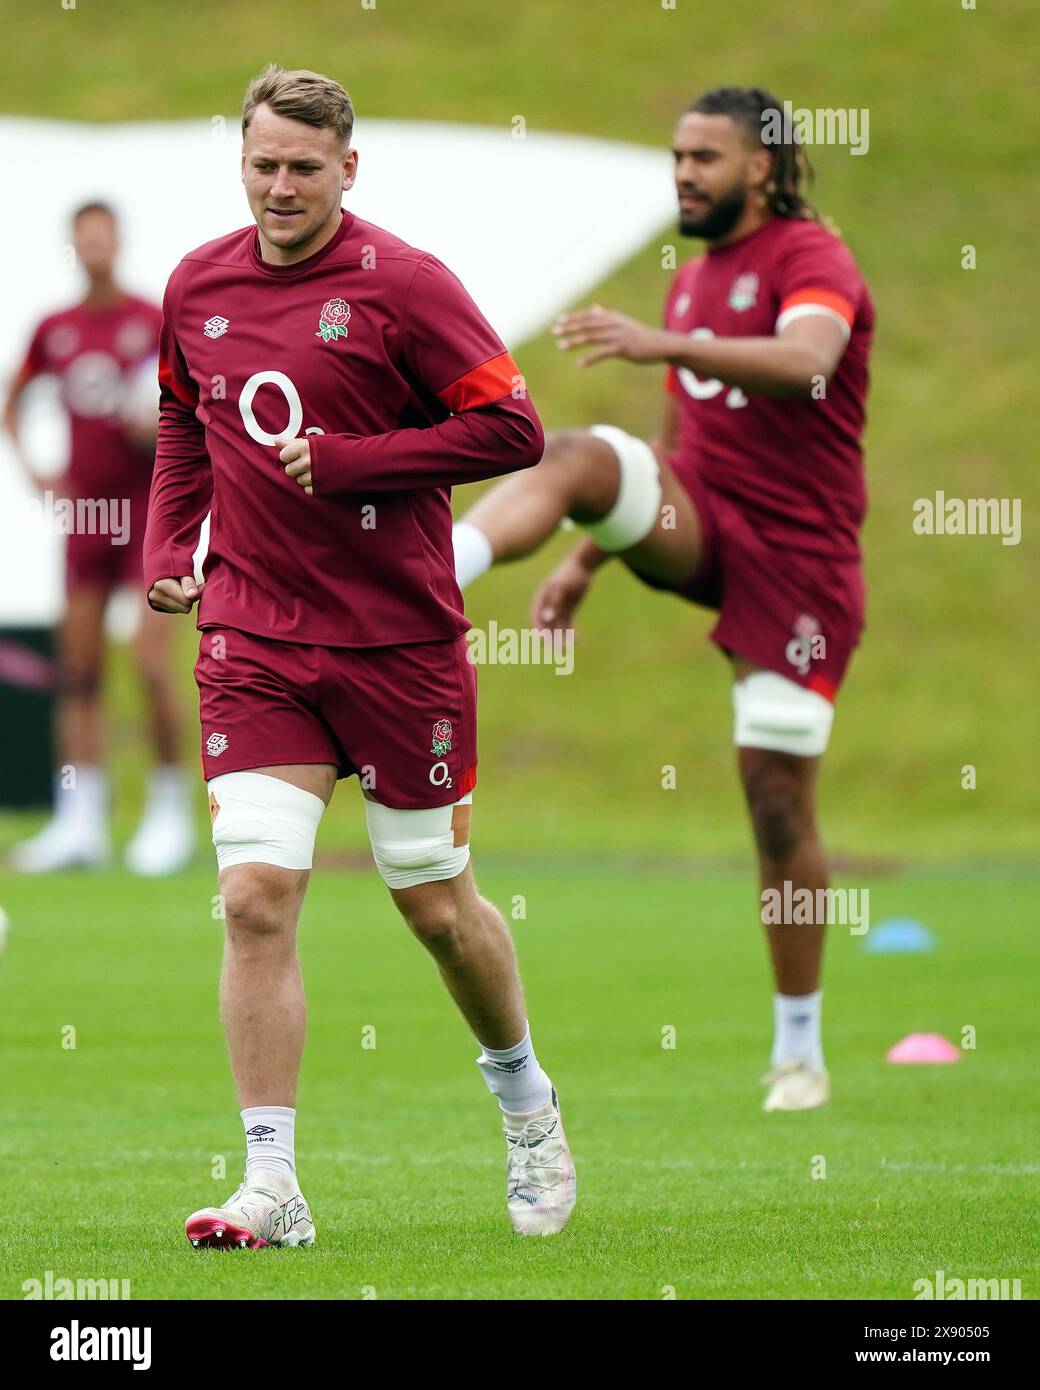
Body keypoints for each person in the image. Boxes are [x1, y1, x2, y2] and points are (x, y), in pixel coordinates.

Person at [144, 64, 576, 1246]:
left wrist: (353, 461)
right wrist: (169, 542)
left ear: (347, 167)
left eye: (301, 167)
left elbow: (512, 428)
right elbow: (185, 415)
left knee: (434, 907)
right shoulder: (196, 283)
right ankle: (271, 1182)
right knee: (253, 896)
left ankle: (525, 1101)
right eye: (260, 164)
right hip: (253, 637)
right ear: (239, 160)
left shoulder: (407, 285)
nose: (278, 187)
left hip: (398, 647)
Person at [453, 86, 874, 1112]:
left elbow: (806, 361)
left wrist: (663, 343)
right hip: (703, 521)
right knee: (581, 453)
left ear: (762, 168)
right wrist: (585, 557)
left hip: (801, 563)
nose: (682, 172)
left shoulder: (809, 260)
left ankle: (797, 1049)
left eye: (705, 157)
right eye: (676, 154)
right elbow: (675, 442)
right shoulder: (690, 279)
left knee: (774, 800)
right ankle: (440, 569)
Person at [4, 201, 194, 876]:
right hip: (87, 516)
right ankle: (79, 818)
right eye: (82, 239)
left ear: (118, 241)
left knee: (149, 662)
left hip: (148, 510)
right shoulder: (54, 328)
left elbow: (189, 404)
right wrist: (36, 471)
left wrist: (159, 429)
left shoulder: (151, 321)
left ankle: (168, 813)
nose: (93, 248)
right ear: (73, 246)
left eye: (102, 237)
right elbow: (14, 397)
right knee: (79, 670)